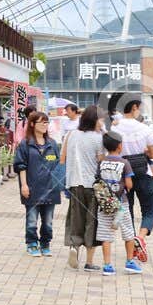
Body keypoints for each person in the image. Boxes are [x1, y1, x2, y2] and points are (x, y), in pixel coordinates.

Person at [13, 109, 65, 256]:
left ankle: (45, 243)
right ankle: (32, 244)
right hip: (32, 188)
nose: (45, 125)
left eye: (46, 122)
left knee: (48, 222)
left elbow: (58, 165)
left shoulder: (52, 144)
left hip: (50, 189)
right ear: (32, 124)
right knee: (32, 220)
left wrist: (60, 184)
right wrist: (24, 185)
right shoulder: (25, 144)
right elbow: (20, 166)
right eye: (41, 122)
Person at [61, 105, 106, 270]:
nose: (102, 122)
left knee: (76, 218)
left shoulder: (71, 135)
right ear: (95, 120)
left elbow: (63, 158)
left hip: (74, 183)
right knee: (91, 221)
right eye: (101, 119)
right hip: (92, 185)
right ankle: (89, 261)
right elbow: (101, 160)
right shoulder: (98, 138)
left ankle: (74, 247)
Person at [114, 98, 153, 258]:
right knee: (149, 210)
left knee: (127, 210)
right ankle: (141, 237)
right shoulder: (144, 128)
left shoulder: (115, 129)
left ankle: (132, 243)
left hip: (123, 174)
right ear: (134, 108)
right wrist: (144, 152)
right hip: (143, 173)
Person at [94, 132, 143, 276]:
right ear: (120, 146)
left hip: (104, 204)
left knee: (105, 234)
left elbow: (98, 180)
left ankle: (107, 265)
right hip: (121, 204)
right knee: (128, 232)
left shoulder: (101, 162)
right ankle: (129, 262)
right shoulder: (124, 163)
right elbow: (129, 184)